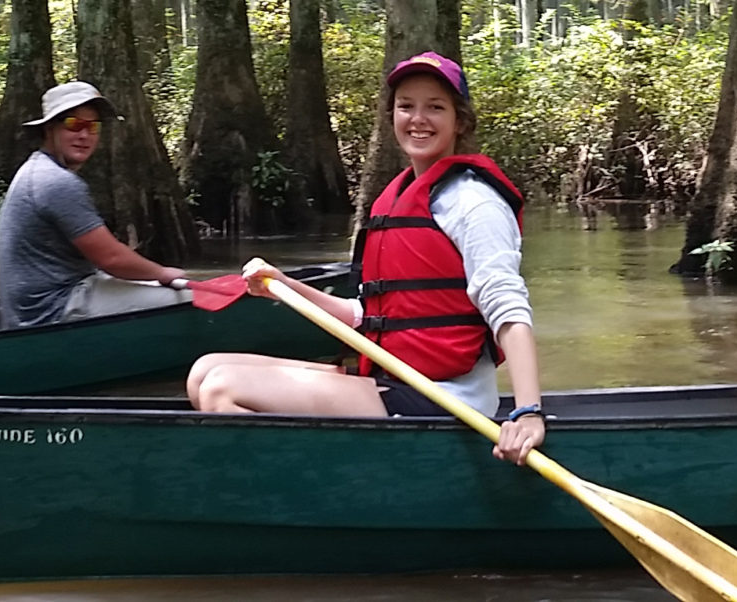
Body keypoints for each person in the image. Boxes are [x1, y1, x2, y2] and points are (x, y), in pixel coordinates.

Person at [185, 52, 548, 465]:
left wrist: (528, 411)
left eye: (435, 107)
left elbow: (509, 309)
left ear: (459, 121)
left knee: (222, 389)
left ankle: (284, 497)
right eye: (406, 105)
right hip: (395, 380)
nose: (418, 118)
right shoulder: (397, 197)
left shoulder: (474, 202)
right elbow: (369, 314)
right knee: (205, 369)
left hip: (447, 397)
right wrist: (286, 288)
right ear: (391, 114)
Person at [0, 81, 191, 328]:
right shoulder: (56, 181)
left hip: (45, 303)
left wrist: (155, 277)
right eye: (73, 125)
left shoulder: (36, 168)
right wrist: (162, 273)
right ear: (49, 129)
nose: (84, 135)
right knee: (187, 297)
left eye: (92, 126)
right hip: (52, 310)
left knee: (151, 284)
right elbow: (111, 259)